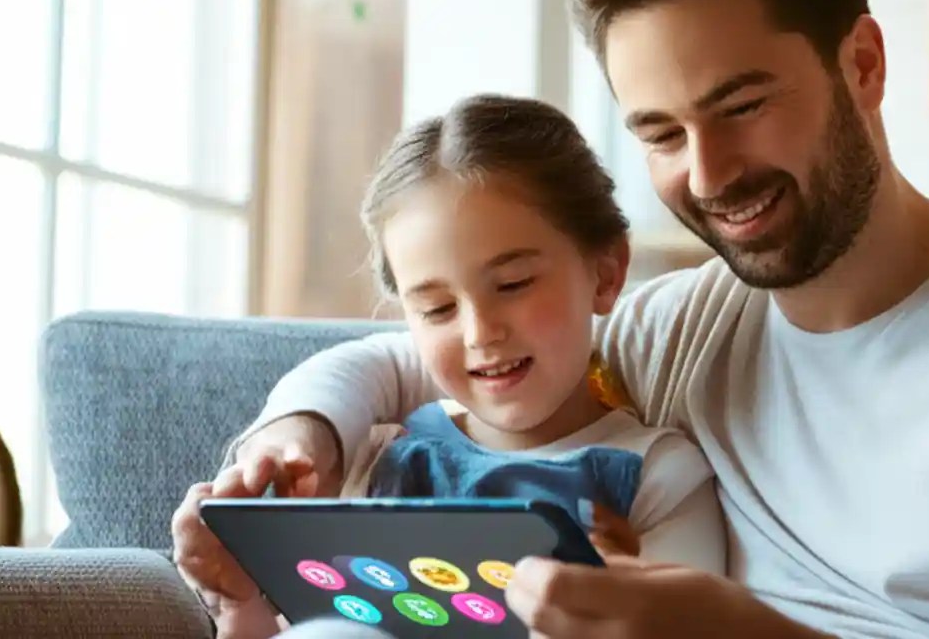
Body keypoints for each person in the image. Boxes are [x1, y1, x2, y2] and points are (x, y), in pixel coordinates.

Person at [184, 0, 929, 637]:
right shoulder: (680, 326)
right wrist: (296, 435)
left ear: (864, 65)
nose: (706, 177)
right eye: (661, 133)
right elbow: (403, 362)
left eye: (742, 105)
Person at [172, 95, 726, 638]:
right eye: (437, 309)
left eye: (513, 285)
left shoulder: (659, 476)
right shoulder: (379, 457)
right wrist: (238, 597)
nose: (480, 332)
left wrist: (626, 607)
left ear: (605, 274)